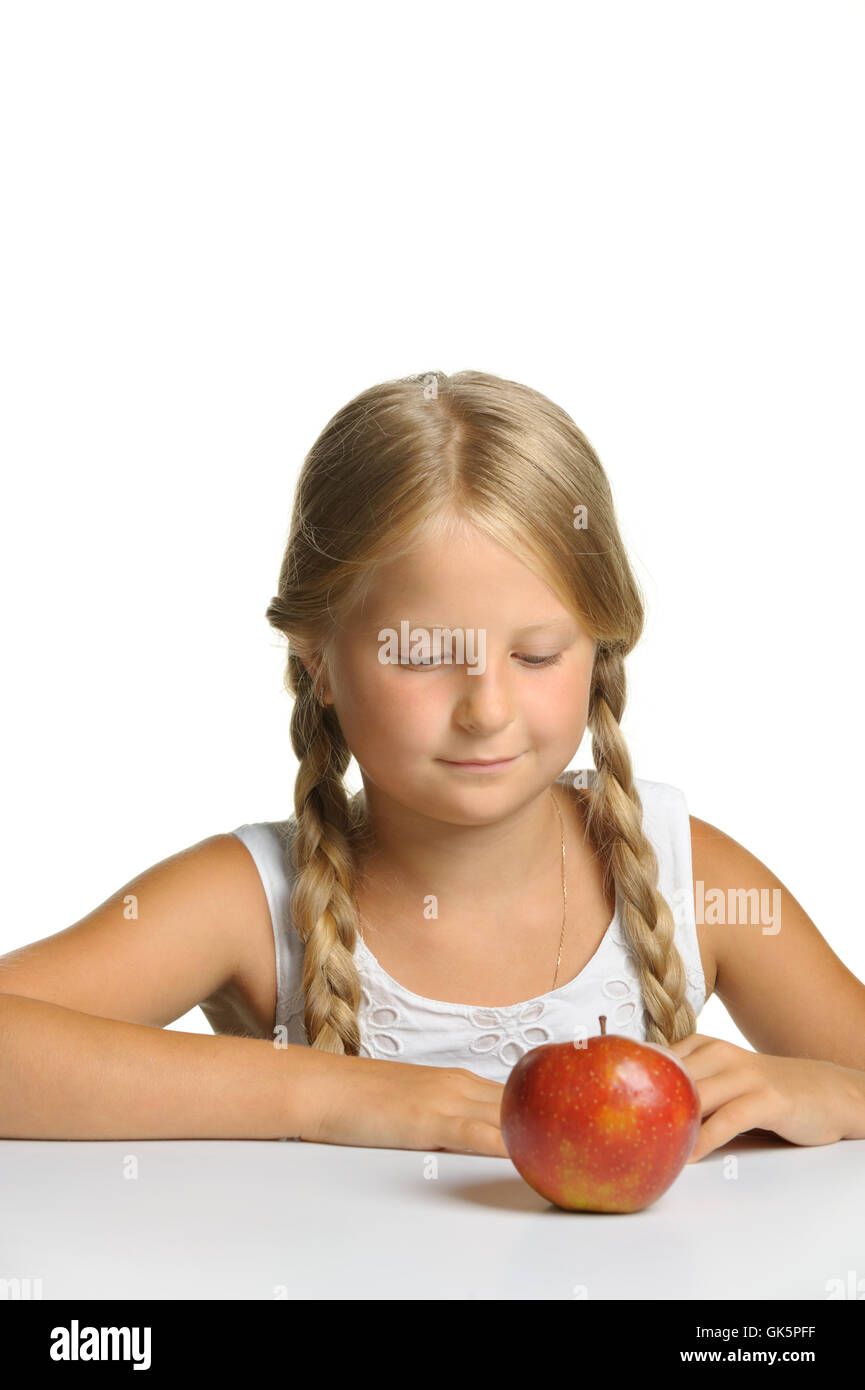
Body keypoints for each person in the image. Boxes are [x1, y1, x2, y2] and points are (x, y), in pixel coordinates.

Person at [2, 369, 864, 1163]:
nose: (486, 709)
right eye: (420, 656)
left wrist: (832, 1092)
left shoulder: (687, 875)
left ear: (598, 651)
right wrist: (336, 1095)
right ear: (317, 659)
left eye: (534, 656)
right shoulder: (250, 900)